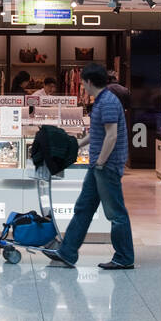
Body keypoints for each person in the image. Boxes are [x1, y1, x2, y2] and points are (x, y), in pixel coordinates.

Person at [42, 63, 134, 270]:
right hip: (98, 167)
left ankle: (124, 257)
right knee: (83, 208)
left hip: (106, 167)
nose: (82, 85)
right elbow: (97, 134)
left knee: (115, 212)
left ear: (89, 82)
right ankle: (67, 252)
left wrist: (100, 162)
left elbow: (111, 136)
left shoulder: (107, 102)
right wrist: (75, 145)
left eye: (83, 82)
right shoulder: (102, 101)